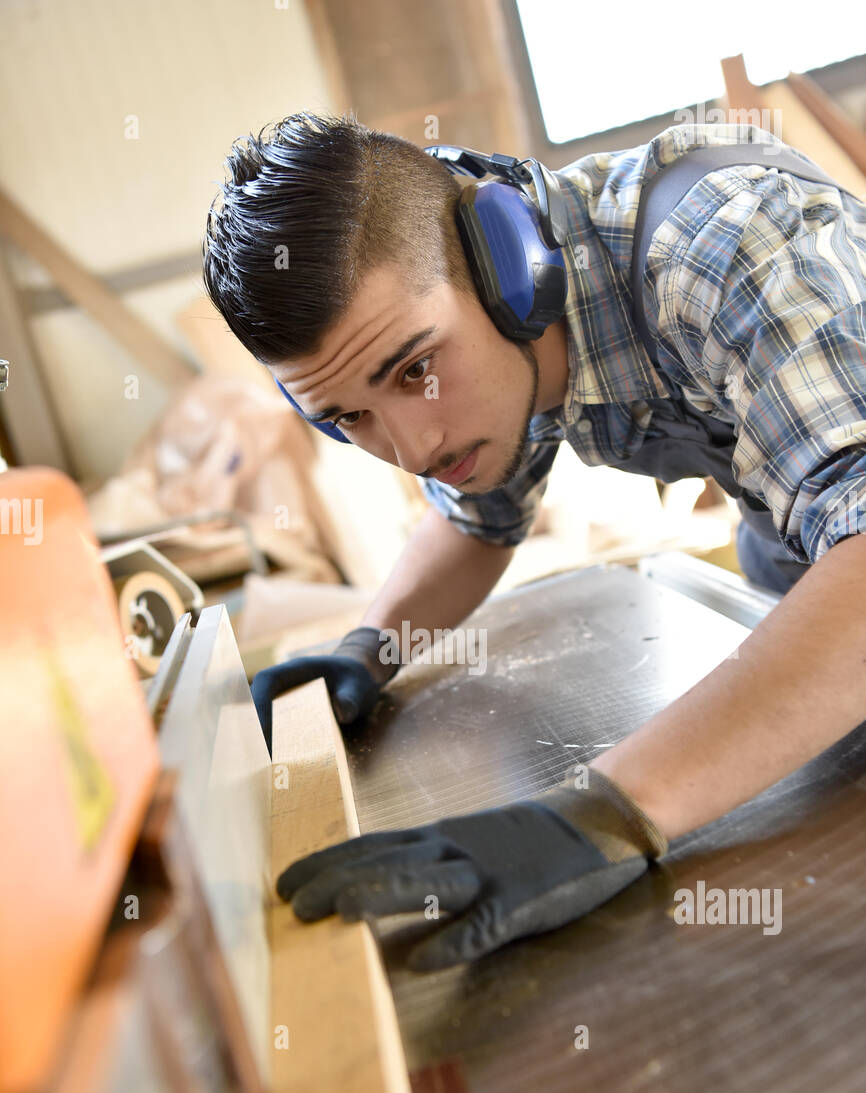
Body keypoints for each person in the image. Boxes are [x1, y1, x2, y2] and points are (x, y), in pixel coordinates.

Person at [202, 112, 866, 972]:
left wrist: (605, 813)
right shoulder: (501, 350)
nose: (413, 450)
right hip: (804, 558)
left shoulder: (726, 247)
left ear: (510, 263)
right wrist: (371, 646)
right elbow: (476, 520)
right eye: (350, 417)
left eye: (415, 370)